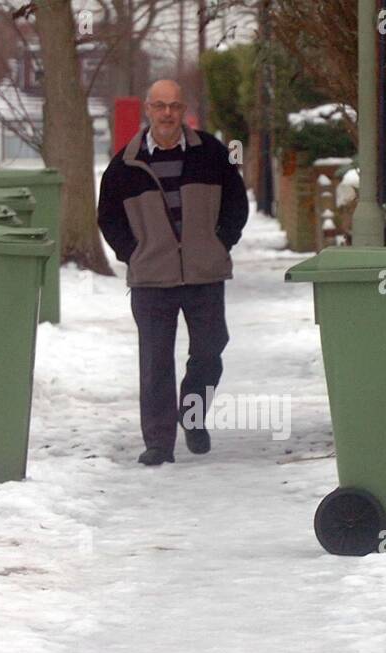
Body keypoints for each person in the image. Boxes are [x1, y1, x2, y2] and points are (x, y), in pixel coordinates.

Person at [97, 79, 249, 466]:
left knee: (210, 349)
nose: (167, 114)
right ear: (148, 110)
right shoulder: (124, 164)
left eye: (175, 106)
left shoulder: (211, 153)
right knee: (155, 362)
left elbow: (236, 201)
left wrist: (220, 242)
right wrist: (134, 253)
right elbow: (108, 217)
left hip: (204, 274)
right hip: (151, 280)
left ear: (184, 111)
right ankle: (159, 443)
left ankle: (192, 416)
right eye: (160, 106)